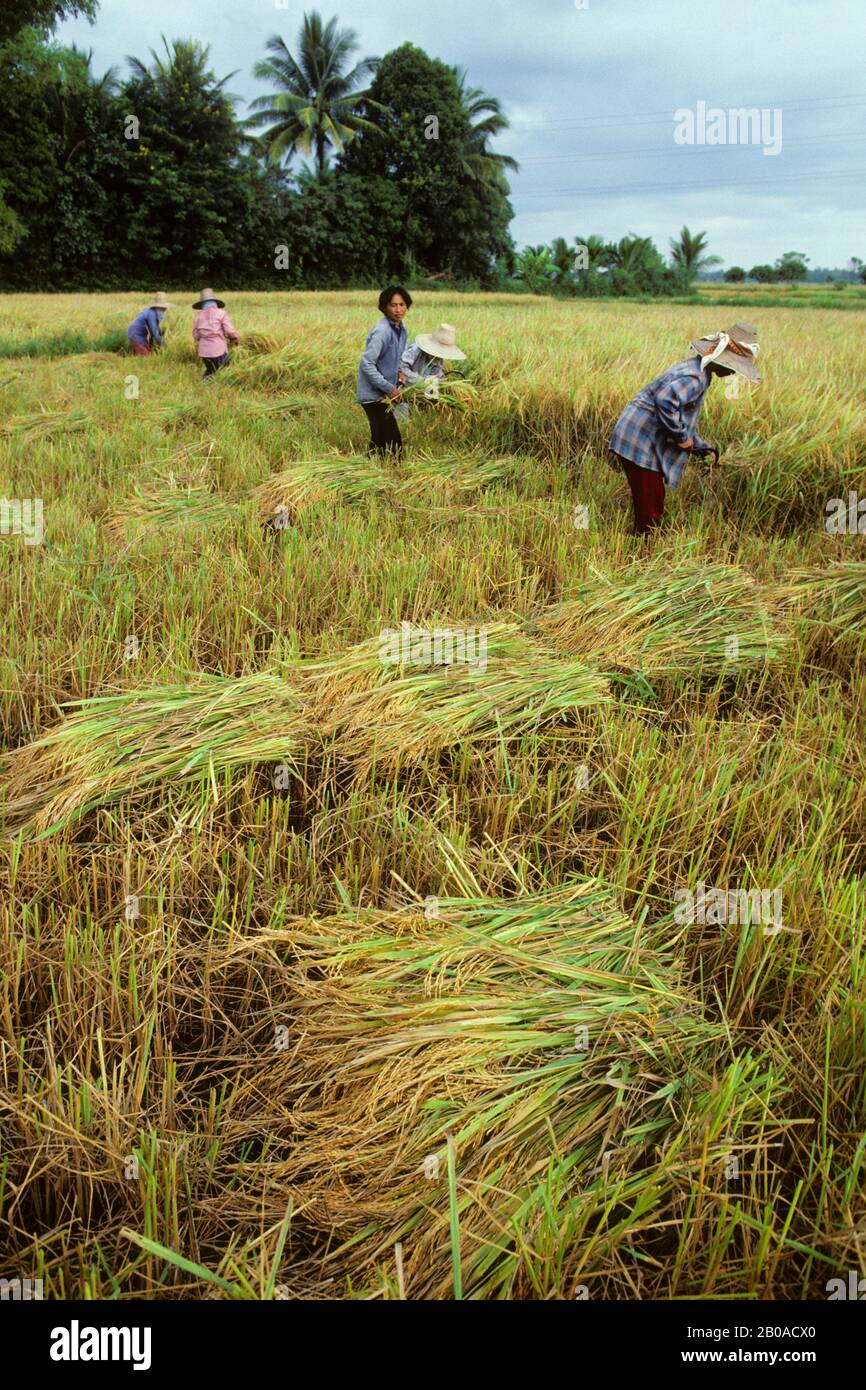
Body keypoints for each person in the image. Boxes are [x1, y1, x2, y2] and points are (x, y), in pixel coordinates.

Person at [609, 322, 760, 535]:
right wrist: (681, 438)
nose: (732, 372)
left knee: (649, 500)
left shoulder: (696, 370)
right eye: (732, 366)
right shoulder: (696, 377)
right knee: (650, 508)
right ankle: (642, 551)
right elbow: (666, 400)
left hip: (636, 435)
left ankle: (641, 540)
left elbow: (679, 415)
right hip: (640, 441)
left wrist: (700, 447)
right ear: (719, 360)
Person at [356, 286, 412, 456]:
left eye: (402, 305)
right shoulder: (382, 332)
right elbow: (367, 364)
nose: (398, 310)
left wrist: (399, 374)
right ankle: (394, 475)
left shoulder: (402, 331)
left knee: (380, 440)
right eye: (393, 305)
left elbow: (396, 360)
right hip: (373, 394)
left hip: (385, 393)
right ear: (384, 307)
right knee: (394, 444)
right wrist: (390, 389)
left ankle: (366, 468)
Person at [393, 322, 467, 421]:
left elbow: (436, 376)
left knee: (421, 419)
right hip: (403, 389)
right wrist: (420, 381)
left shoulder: (439, 358)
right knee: (401, 421)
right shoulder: (416, 350)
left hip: (418, 394)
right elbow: (402, 367)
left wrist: (442, 385)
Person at [191, 288, 240, 379]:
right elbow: (229, 331)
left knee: (210, 370)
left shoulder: (198, 316)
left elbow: (195, 334)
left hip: (204, 351)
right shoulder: (221, 313)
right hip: (218, 349)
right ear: (215, 302)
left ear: (202, 304)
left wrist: (204, 337)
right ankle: (222, 388)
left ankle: (204, 387)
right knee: (224, 370)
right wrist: (236, 338)